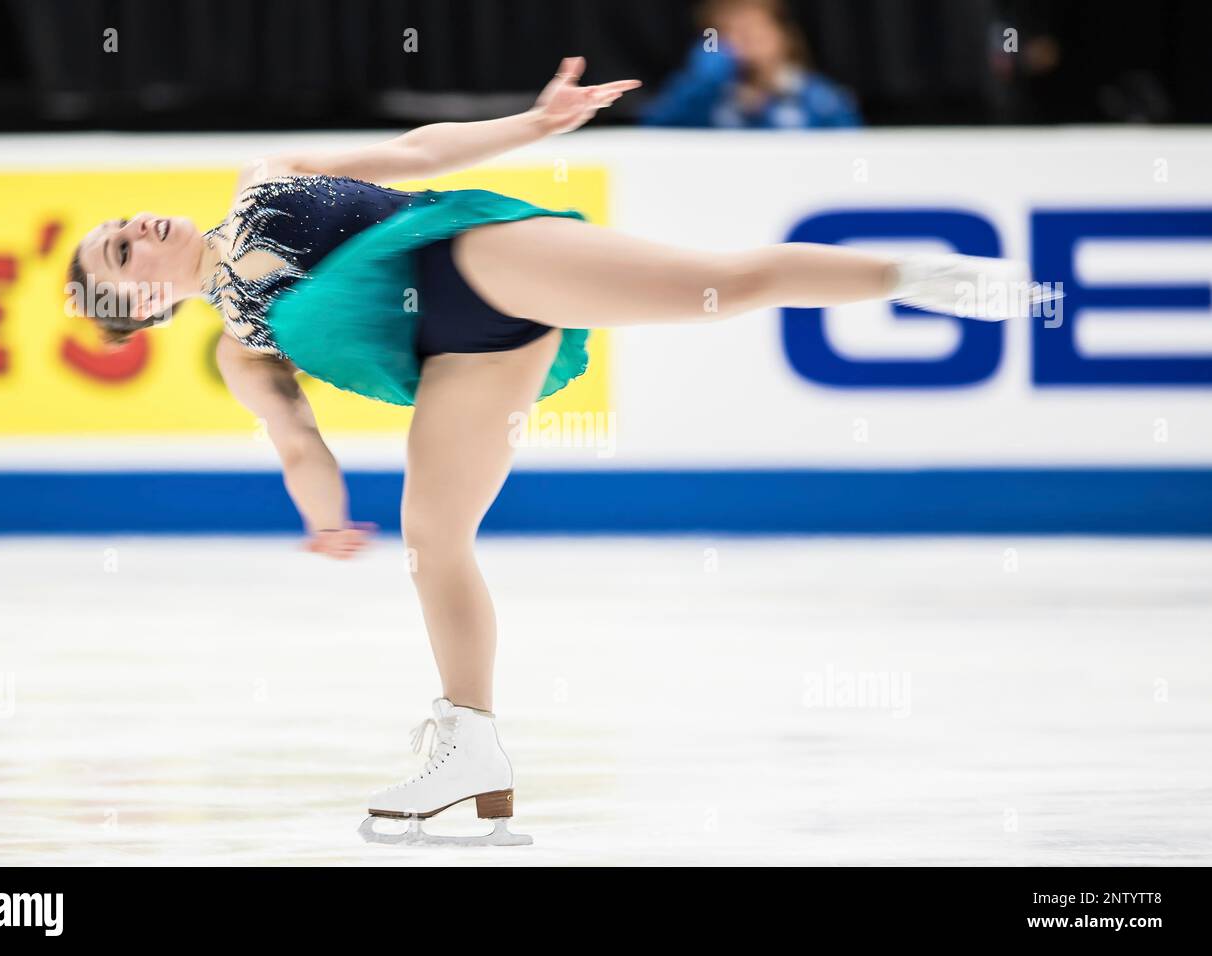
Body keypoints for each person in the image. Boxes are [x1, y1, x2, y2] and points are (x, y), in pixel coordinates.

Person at [66, 56, 1040, 846]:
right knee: (430, 536)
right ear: (145, 308)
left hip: (472, 259)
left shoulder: (265, 178)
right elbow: (297, 442)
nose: (135, 231)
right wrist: (324, 520)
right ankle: (471, 743)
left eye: (119, 227)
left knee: (722, 284)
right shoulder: (244, 350)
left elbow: (414, 148)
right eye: (121, 256)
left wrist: (532, 124)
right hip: (459, 358)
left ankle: (926, 277)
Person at [642, 0, 861, 129]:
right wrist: (705, 77)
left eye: (756, 29)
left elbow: (847, 150)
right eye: (732, 32)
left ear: (784, 36)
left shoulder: (818, 98)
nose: (747, 40)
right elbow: (656, 129)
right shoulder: (706, 95)